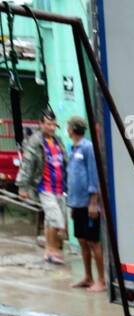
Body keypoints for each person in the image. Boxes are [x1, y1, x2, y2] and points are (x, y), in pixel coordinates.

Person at [17, 110, 68, 266]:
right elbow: (26, 165)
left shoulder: (57, 140)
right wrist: (22, 187)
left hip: (60, 188)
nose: (52, 127)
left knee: (52, 221)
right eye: (48, 124)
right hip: (44, 187)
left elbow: (64, 162)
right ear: (41, 124)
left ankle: (47, 251)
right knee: (57, 221)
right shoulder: (35, 141)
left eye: (54, 124)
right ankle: (54, 251)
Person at [66, 116, 105, 293]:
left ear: (72, 130)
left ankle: (102, 280)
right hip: (77, 203)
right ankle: (88, 277)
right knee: (82, 241)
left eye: (68, 127)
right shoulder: (73, 149)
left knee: (93, 242)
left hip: (88, 204)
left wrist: (93, 202)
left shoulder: (88, 148)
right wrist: (73, 205)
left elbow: (93, 175)